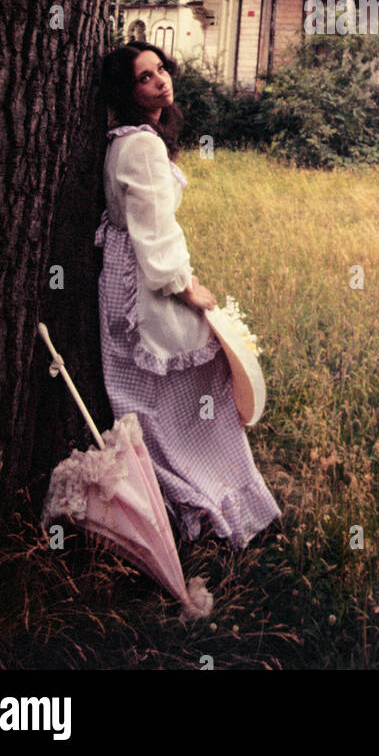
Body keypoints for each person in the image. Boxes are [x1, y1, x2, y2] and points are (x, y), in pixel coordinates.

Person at [96, 40, 281, 547]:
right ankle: (206, 497)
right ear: (126, 91)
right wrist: (184, 287)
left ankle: (189, 497)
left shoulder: (131, 138)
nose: (160, 81)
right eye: (143, 77)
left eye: (160, 70)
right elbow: (153, 229)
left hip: (125, 278)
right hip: (145, 287)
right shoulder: (140, 145)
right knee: (193, 385)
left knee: (148, 399)